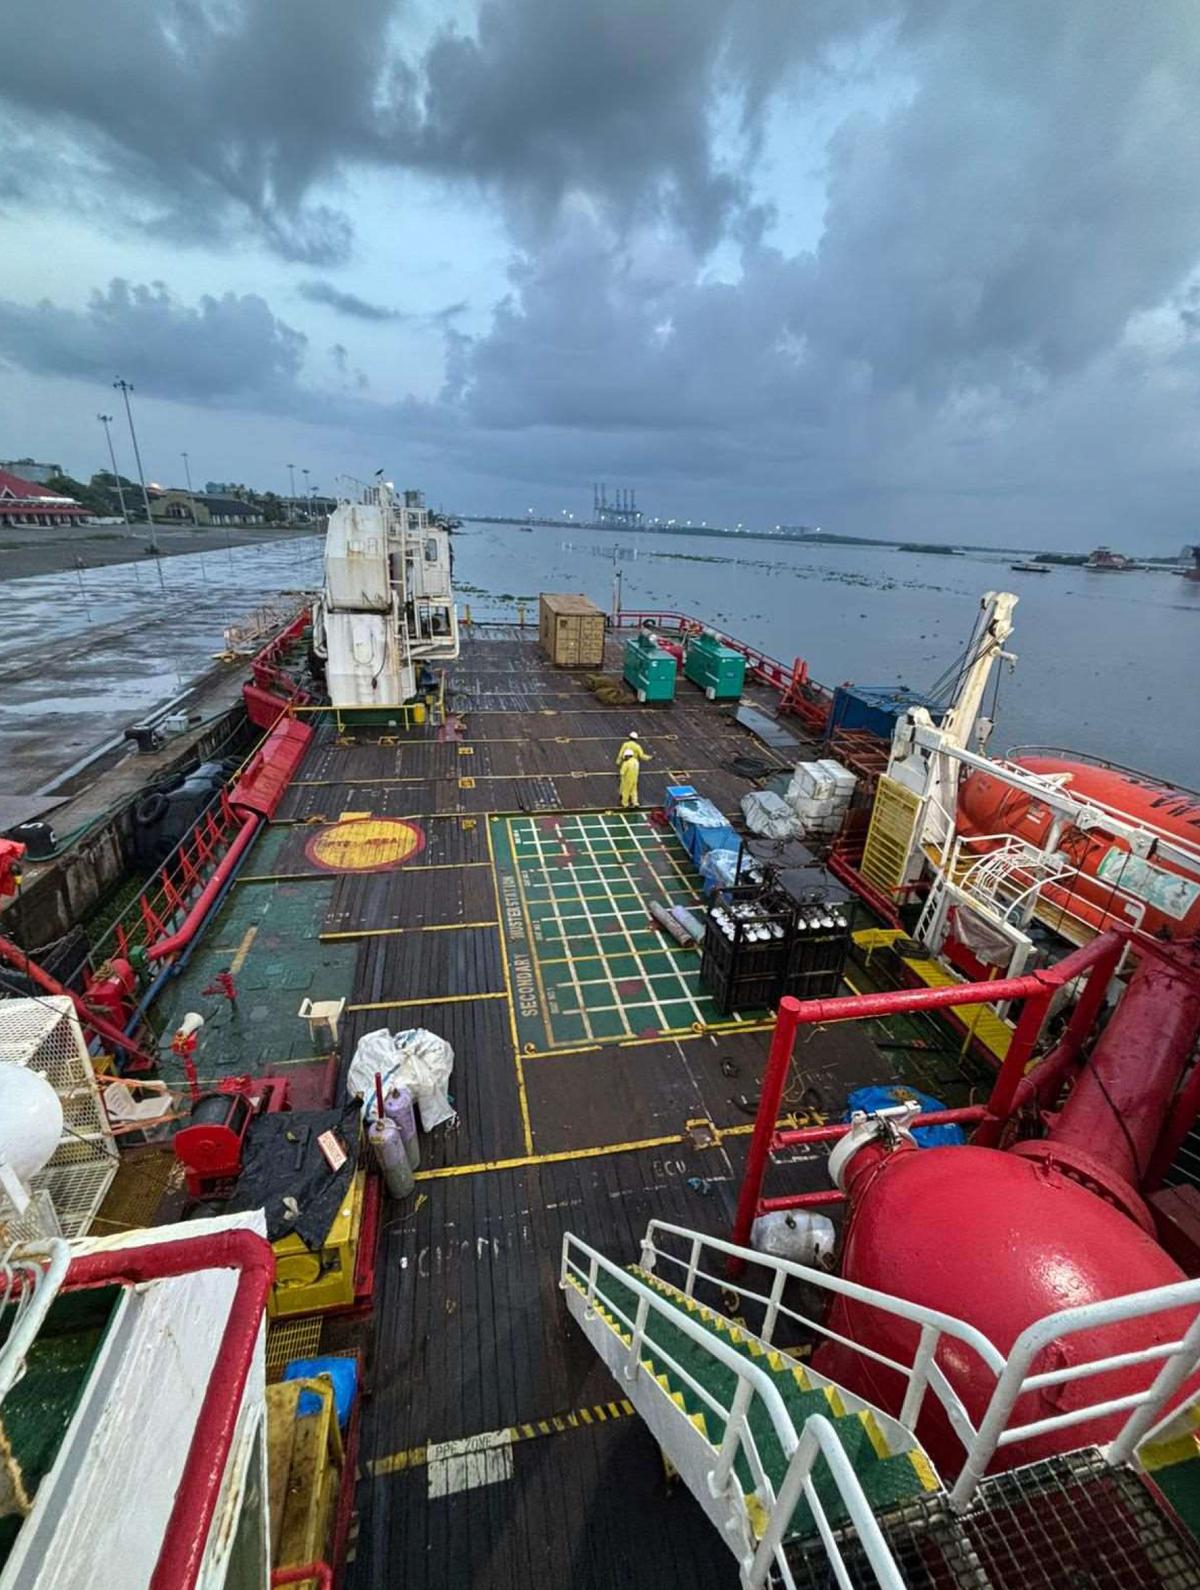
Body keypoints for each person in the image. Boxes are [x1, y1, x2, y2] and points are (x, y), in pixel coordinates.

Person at [616, 730, 649, 808]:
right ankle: (635, 802)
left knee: (625, 790)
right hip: (635, 777)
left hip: (627, 778)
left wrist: (618, 762)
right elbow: (642, 756)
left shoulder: (626, 761)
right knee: (634, 790)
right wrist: (649, 758)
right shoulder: (636, 760)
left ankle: (625, 803)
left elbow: (622, 772)